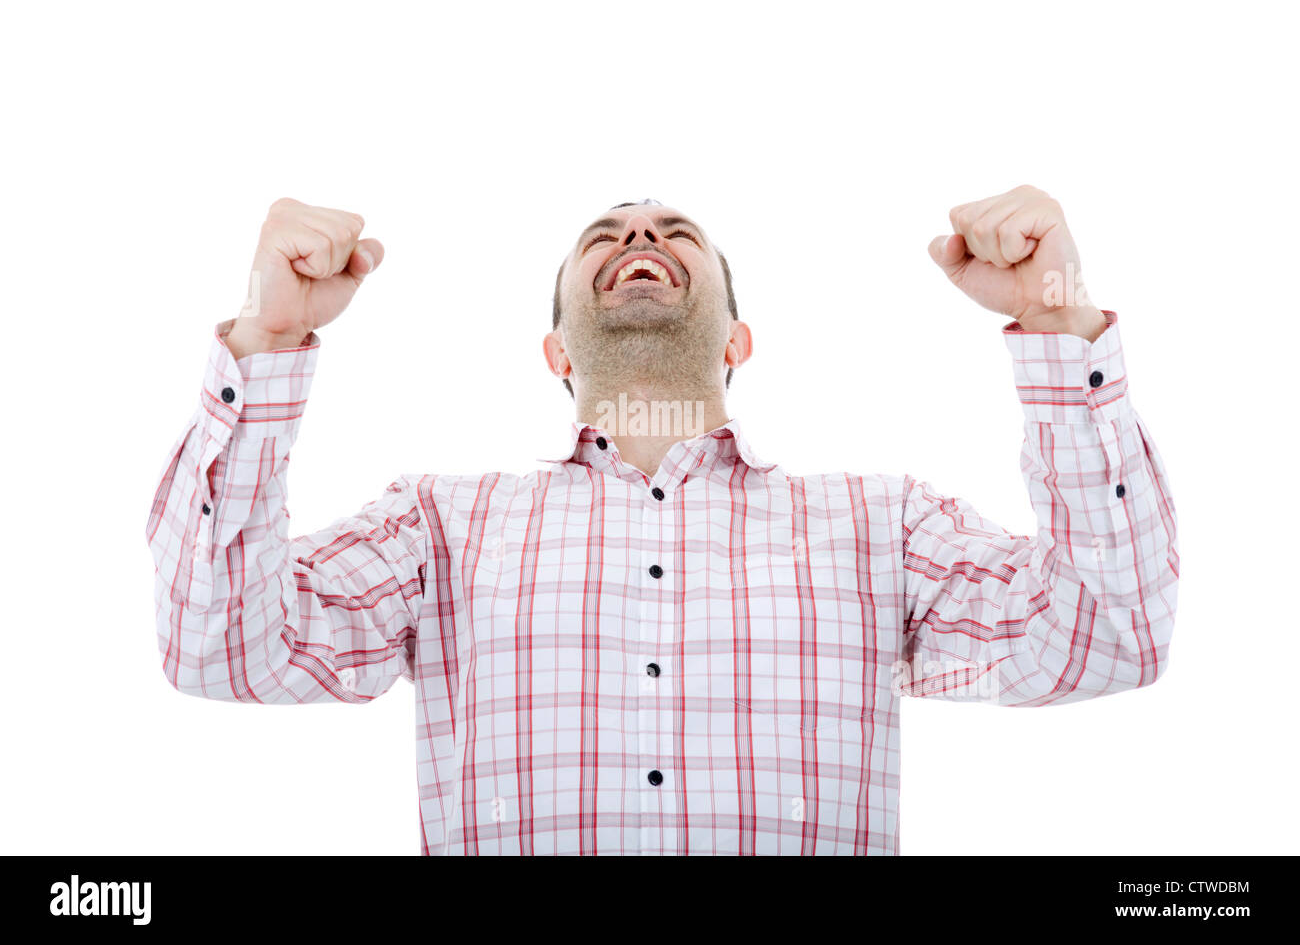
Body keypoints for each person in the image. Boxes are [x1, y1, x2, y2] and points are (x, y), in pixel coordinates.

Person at [144, 187, 1179, 855]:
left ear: (736, 337)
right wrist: (269, 338)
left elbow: (1107, 636)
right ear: (556, 353)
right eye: (605, 234)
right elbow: (218, 647)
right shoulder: (440, 525)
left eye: (674, 231)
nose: (639, 233)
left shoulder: (879, 526)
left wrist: (1055, 320)